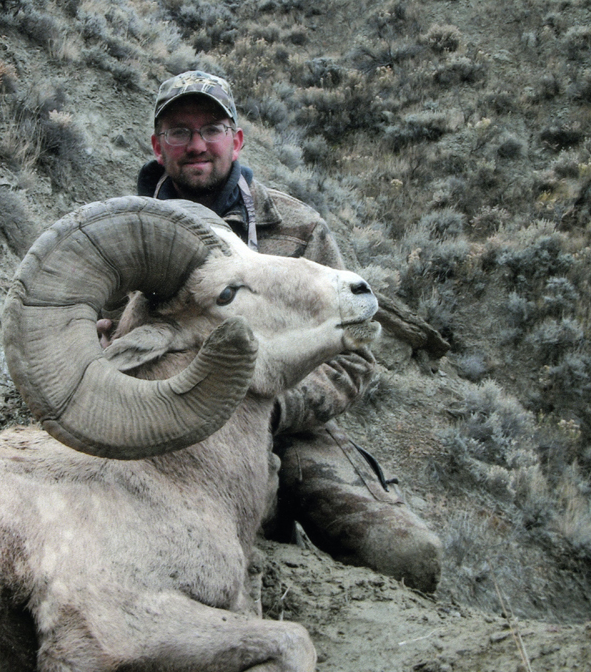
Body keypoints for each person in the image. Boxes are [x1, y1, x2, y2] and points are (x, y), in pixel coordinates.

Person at [125, 71, 443, 592]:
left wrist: (274, 407)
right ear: (158, 146)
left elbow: (354, 358)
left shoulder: (298, 227)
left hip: (287, 422)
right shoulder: (125, 238)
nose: (198, 144)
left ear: (238, 139)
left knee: (407, 554)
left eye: (213, 128)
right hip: (172, 432)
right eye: (179, 131)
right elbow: (95, 333)